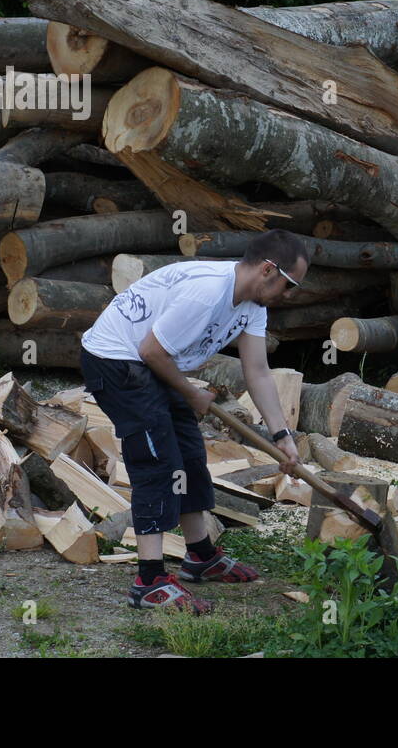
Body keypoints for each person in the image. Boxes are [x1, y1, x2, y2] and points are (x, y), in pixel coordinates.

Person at [79, 229, 308, 613]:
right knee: (158, 460)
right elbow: (149, 349)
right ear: (269, 269)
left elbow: (258, 371)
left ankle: (200, 556)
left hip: (157, 362)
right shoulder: (207, 292)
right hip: (116, 359)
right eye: (290, 285)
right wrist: (190, 392)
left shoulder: (253, 304)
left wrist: (282, 434)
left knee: (188, 455)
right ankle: (149, 580)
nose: (289, 295)